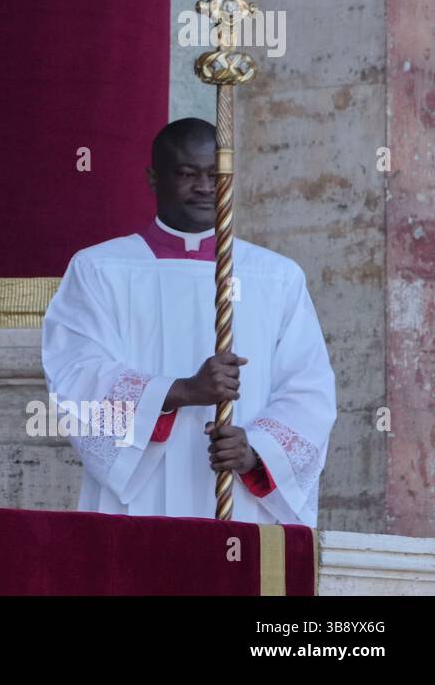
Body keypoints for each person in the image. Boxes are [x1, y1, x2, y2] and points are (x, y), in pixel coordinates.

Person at [40, 118, 336, 524]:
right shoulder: (99, 269)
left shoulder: (277, 277)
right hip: (137, 500)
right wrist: (180, 390)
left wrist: (255, 451)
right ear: (153, 177)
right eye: (187, 173)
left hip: (239, 496)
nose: (203, 187)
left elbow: (310, 391)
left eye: (216, 175)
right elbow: (75, 374)